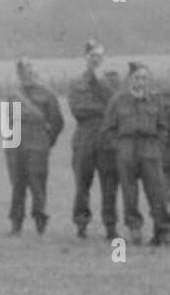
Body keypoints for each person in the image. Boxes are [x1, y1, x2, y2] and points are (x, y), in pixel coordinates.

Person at [101, 61, 168, 246]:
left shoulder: (155, 99)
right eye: (137, 77)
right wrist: (119, 147)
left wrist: (158, 147)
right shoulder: (118, 100)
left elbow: (163, 127)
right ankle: (135, 229)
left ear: (149, 80)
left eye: (144, 78)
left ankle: (162, 230)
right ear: (130, 79)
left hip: (150, 149)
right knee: (129, 192)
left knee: (157, 192)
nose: (141, 81)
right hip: (127, 150)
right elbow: (107, 128)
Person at [68, 40, 119, 240]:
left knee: (109, 186)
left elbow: (115, 104)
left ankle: (110, 226)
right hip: (84, 139)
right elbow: (77, 109)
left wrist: (100, 81)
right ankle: (81, 225)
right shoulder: (76, 83)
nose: (96, 60)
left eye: (99, 56)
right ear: (85, 58)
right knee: (82, 185)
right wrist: (102, 110)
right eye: (92, 56)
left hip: (106, 140)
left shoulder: (111, 80)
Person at [6, 58, 64, 235]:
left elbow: (56, 122)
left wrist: (47, 142)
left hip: (38, 144)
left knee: (37, 183)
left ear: (36, 73)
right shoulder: (14, 95)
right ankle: (16, 222)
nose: (28, 75)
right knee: (17, 184)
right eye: (24, 72)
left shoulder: (47, 95)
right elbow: (9, 120)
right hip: (17, 144)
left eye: (30, 72)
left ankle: (40, 219)